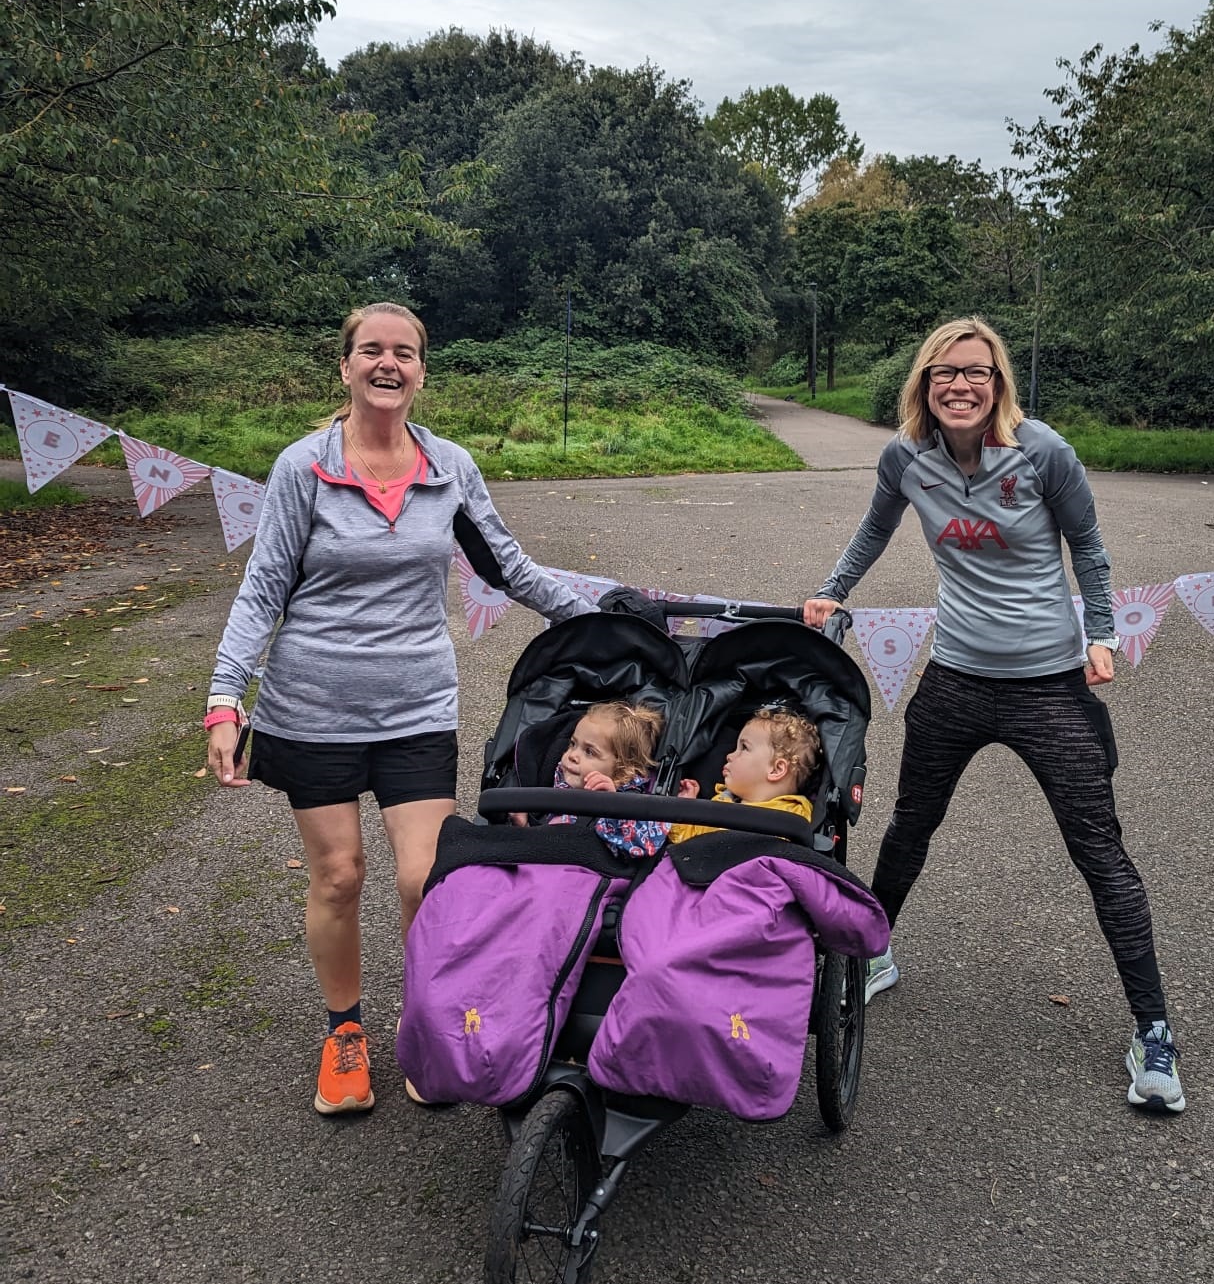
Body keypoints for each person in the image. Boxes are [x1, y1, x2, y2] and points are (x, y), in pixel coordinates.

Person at [204, 301, 593, 1116]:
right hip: (311, 708)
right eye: (372, 351)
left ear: (421, 370)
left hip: (417, 704)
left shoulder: (449, 467)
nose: (389, 364)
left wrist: (600, 619)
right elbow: (263, 589)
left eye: (404, 353)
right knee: (340, 877)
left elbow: (508, 566)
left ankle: (427, 1023)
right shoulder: (302, 467)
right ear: (345, 367)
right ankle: (346, 1033)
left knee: (426, 877)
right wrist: (223, 701)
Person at [802, 317, 1184, 1113]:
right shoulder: (907, 458)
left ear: (998, 381)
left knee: (1098, 852)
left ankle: (1152, 1030)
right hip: (956, 679)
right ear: (924, 384)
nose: (960, 385)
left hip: (1049, 686)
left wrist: (1103, 634)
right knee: (911, 823)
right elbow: (875, 529)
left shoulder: (1042, 451)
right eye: (945, 373)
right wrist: (835, 590)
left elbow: (1089, 546)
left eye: (975, 372)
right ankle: (874, 953)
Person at [668, 704, 821, 843]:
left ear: (776, 769)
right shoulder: (718, 805)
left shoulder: (794, 815)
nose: (729, 756)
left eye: (744, 748)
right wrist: (685, 806)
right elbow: (687, 841)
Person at [547, 701, 669, 858]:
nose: (572, 755)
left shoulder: (632, 804)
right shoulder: (564, 778)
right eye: (572, 744)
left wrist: (612, 806)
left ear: (623, 766)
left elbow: (645, 845)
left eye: (589, 752)